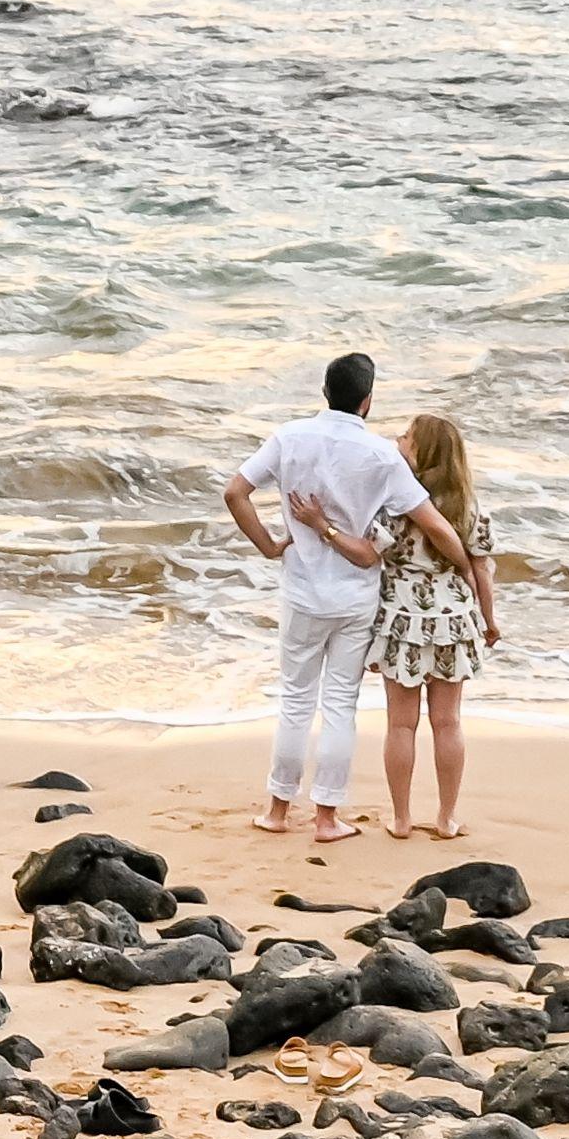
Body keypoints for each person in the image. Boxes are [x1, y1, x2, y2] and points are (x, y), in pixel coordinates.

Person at [225, 351, 485, 843]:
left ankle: (278, 811)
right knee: (340, 703)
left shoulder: (289, 437)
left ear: (325, 391)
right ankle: (326, 819)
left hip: (302, 589)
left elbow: (234, 493)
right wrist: (466, 569)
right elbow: (435, 524)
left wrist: (267, 546)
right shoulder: (383, 456)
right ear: (367, 401)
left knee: (295, 700)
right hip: (354, 598)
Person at [372, 413, 499, 837]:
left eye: (406, 436)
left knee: (400, 724)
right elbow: (481, 569)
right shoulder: (468, 506)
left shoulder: (393, 504)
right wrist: (489, 620)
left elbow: (372, 555)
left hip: (403, 617)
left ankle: (402, 818)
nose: (398, 439)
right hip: (455, 618)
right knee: (448, 722)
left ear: (420, 451)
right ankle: (446, 817)